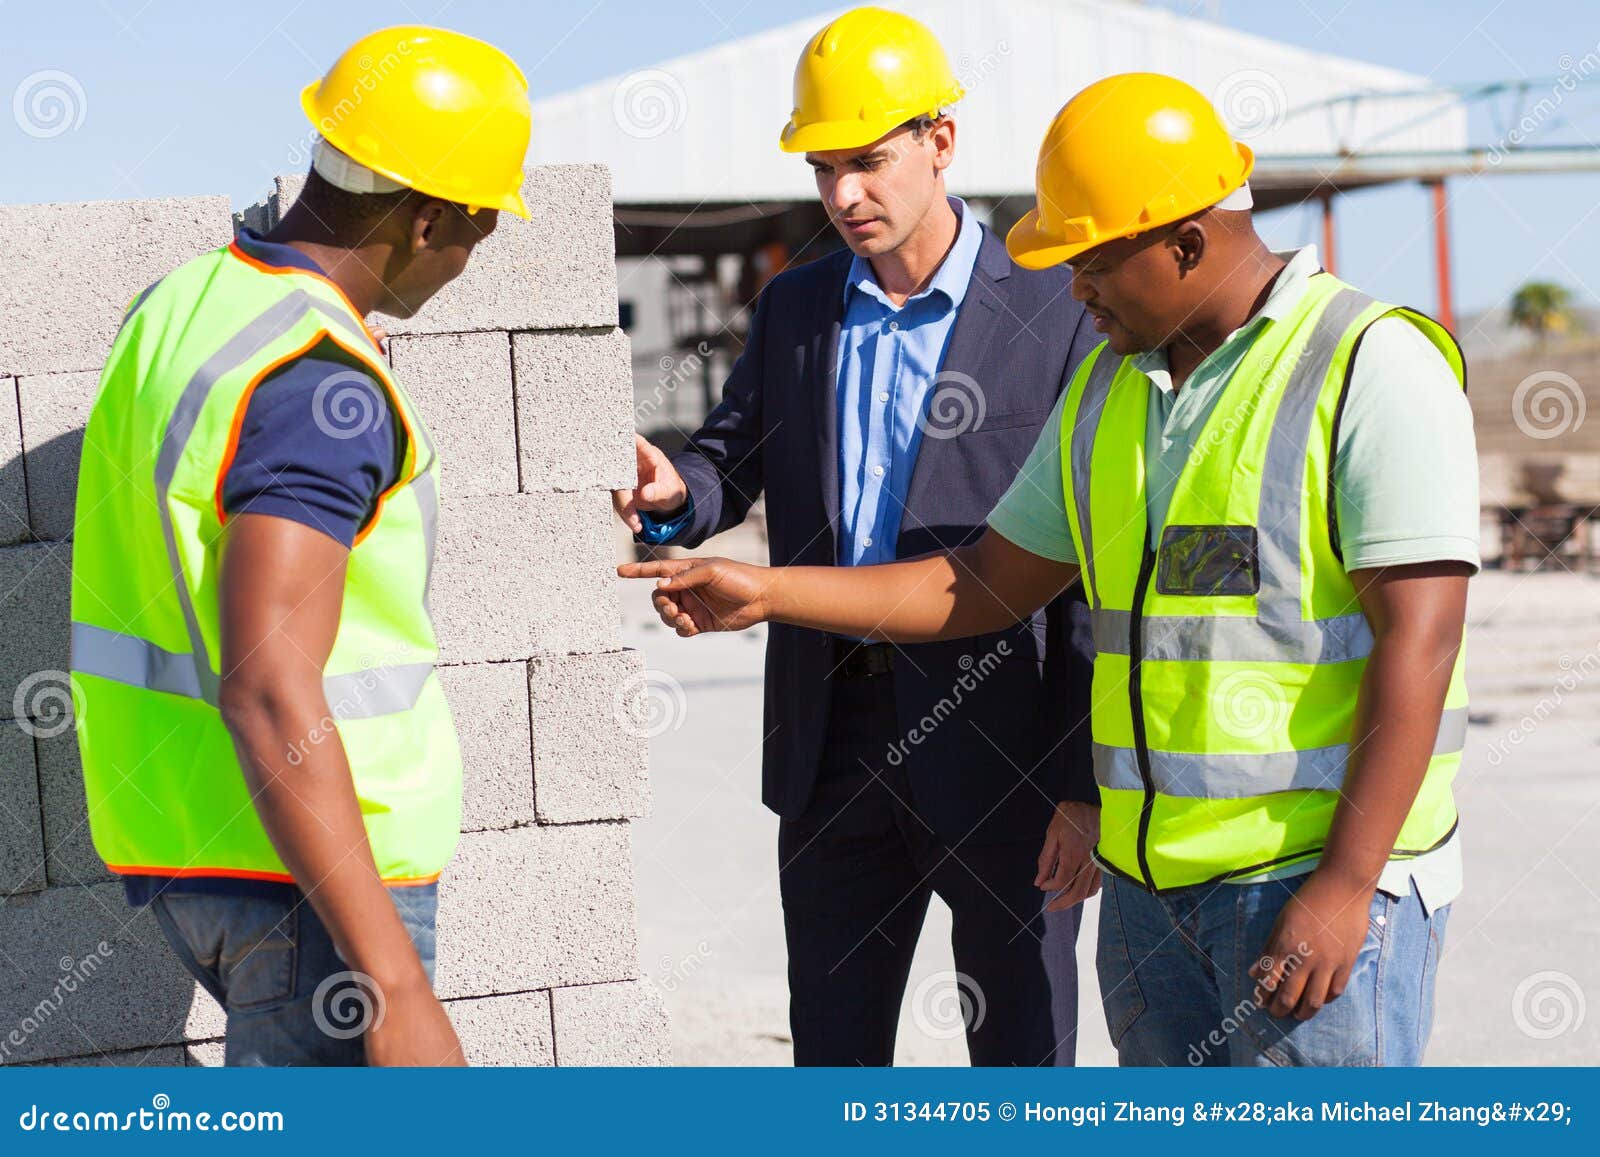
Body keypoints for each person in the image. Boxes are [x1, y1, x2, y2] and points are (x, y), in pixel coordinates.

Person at [621, 72, 1479, 1068]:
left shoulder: (1371, 364)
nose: (1071, 292)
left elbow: (1421, 641)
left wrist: (1343, 883)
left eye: (1091, 264)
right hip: (1153, 894)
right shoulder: (1113, 391)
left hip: (1304, 887)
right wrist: (766, 590)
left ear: (1184, 243)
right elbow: (979, 580)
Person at [613, 7, 1101, 1066]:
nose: (843, 195)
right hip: (830, 737)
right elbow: (726, 460)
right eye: (824, 167)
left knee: (1024, 1057)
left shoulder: (1059, 308)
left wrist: (1080, 778)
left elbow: (1088, 579)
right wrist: (671, 493)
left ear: (941, 142)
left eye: (868, 162)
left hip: (1006, 749)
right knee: (831, 1059)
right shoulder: (795, 308)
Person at [69, 25, 533, 1066]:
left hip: (186, 846)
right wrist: (395, 981)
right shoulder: (320, 379)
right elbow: (269, 684)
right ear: (427, 218)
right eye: (479, 229)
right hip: (314, 877)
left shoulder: (183, 304)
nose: (473, 257)